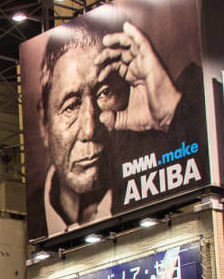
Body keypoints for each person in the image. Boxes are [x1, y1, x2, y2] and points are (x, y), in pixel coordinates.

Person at [32, 19, 183, 237]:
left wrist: (171, 112)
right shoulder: (24, 229)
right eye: (71, 106)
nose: (90, 130)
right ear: (43, 121)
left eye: (105, 93)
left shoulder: (161, 178)